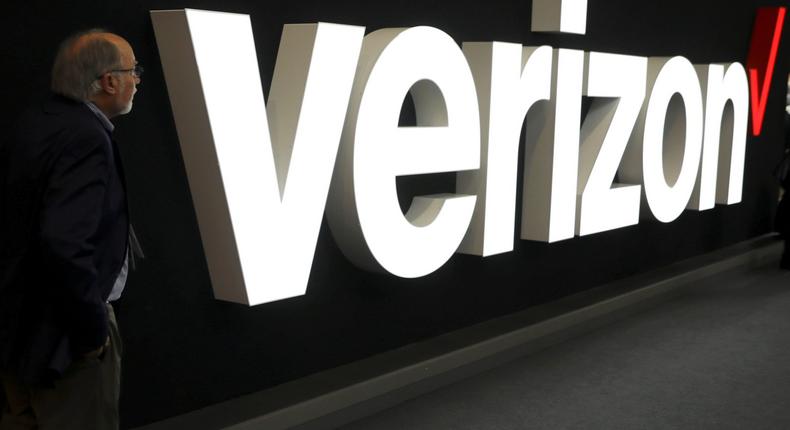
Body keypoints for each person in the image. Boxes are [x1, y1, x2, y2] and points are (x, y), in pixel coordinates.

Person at [0, 29, 141, 429]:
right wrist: (92, 332)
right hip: (63, 342)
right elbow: (64, 242)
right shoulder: (86, 138)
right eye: (133, 71)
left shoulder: (36, 122)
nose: (137, 81)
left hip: (18, 331)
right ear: (109, 81)